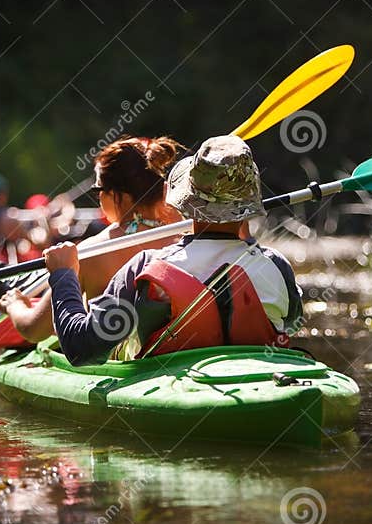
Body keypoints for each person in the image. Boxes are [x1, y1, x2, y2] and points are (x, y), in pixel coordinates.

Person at [39, 134, 302, 365]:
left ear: (186, 201)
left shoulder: (146, 268)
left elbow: (80, 349)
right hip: (263, 379)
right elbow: (289, 323)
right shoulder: (277, 266)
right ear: (248, 205)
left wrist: (63, 275)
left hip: (174, 392)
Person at [0, 136, 185, 342]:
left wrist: (14, 304)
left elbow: (33, 329)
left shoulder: (91, 251)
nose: (98, 199)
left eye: (99, 190)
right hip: (174, 349)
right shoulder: (185, 237)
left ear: (119, 195)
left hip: (117, 361)